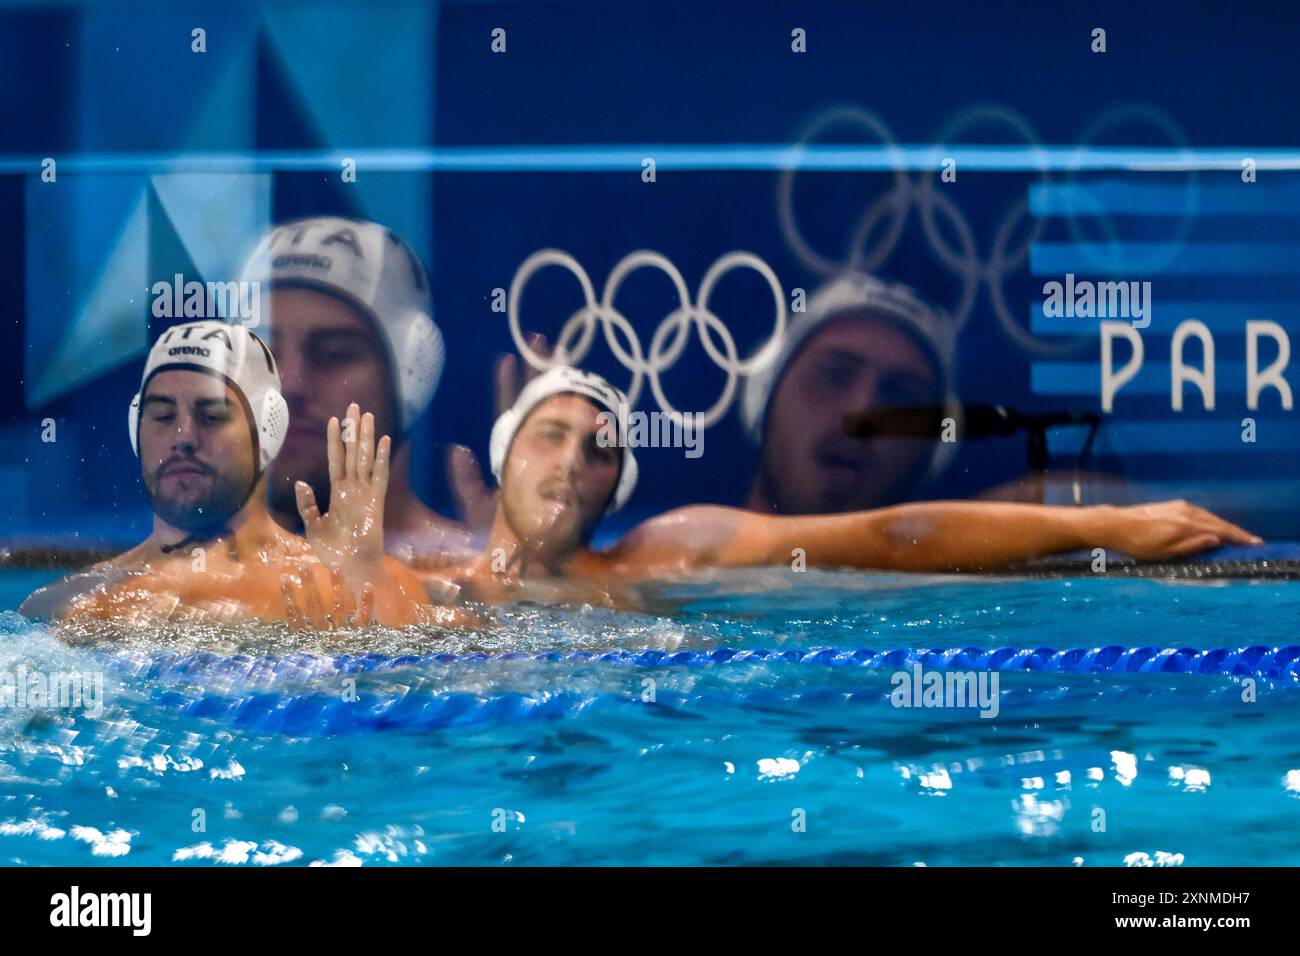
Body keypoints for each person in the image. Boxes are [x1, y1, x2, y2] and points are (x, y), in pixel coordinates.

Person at [434, 365, 1262, 604]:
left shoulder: (662, 557)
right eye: (551, 436)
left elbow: (885, 538)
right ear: (507, 457)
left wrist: (1103, 527)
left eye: (601, 448)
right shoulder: (427, 589)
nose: (575, 458)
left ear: (617, 491)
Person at [20, 320, 432, 628]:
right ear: (136, 430)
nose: (183, 437)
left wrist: (365, 592)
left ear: (267, 430)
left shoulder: (353, 577)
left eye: (212, 415)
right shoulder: (71, 608)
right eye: (162, 415)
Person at [239, 216, 474, 563]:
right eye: (265, 353)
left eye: (334, 355)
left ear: (412, 374)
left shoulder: (474, 580)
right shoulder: (184, 579)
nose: (289, 385)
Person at [740, 271, 960, 515]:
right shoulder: (690, 548)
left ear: (932, 454)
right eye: (834, 374)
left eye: (900, 396)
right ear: (765, 392)